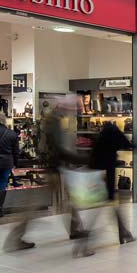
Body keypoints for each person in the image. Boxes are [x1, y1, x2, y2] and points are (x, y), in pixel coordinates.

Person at [40, 100, 86, 239]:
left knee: (69, 199)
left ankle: (76, 229)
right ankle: (16, 235)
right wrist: (81, 159)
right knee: (64, 199)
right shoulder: (53, 122)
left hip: (57, 165)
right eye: (74, 108)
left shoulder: (53, 120)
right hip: (55, 166)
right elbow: (56, 147)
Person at [86, 121, 135, 248]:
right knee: (107, 208)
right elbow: (127, 144)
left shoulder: (101, 137)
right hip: (107, 177)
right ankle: (86, 243)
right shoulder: (114, 133)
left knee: (103, 208)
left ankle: (124, 233)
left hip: (95, 177)